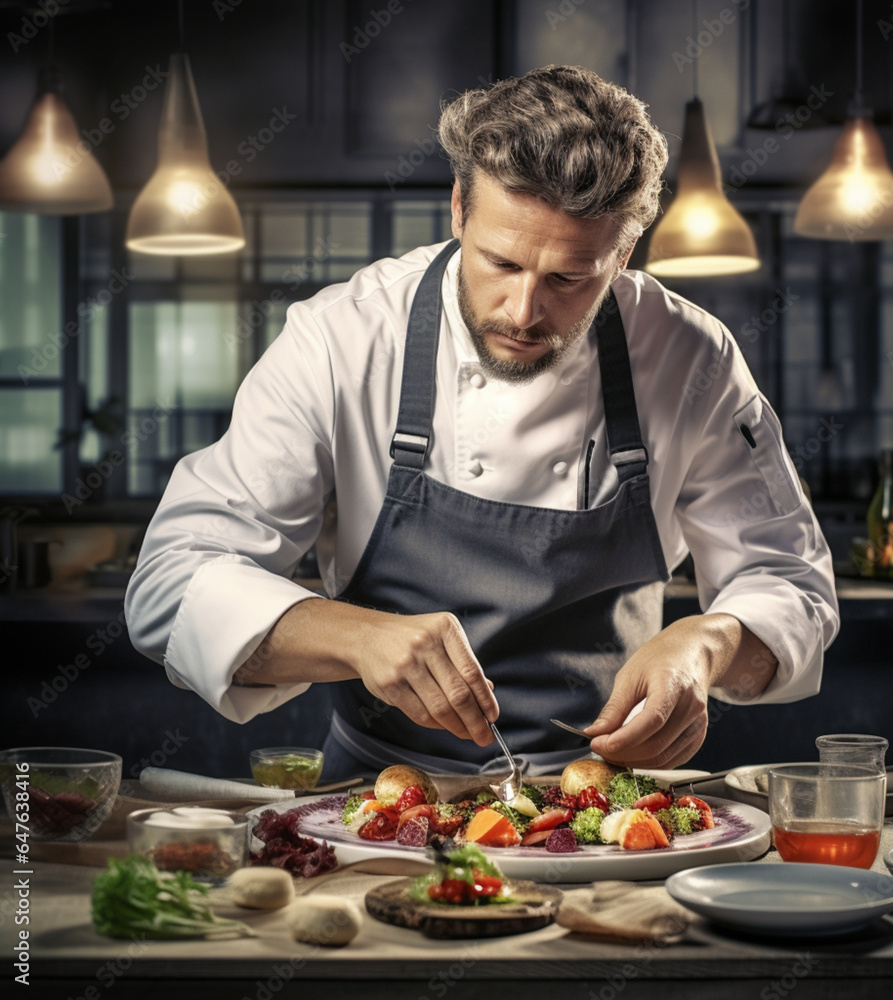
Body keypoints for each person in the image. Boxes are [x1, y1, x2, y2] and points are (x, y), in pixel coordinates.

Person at [125, 66, 839, 781]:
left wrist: (705, 645)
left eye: (569, 278)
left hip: (607, 804)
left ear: (622, 254)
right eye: (501, 262)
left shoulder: (691, 357)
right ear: (460, 207)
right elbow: (170, 584)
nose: (524, 312)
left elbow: (791, 582)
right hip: (377, 794)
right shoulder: (342, 339)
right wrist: (357, 636)